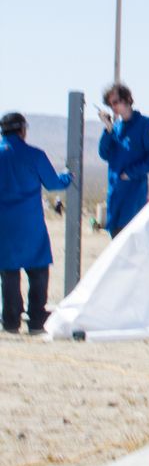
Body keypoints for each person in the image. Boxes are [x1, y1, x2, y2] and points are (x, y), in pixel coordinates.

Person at [0, 112, 72, 335]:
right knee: (38, 272)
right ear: (22, 130)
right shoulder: (35, 155)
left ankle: (11, 321)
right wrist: (68, 176)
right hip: (31, 225)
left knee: (9, 274)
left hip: (4, 227)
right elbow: (54, 184)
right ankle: (36, 320)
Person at [97, 84, 149, 235]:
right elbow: (104, 153)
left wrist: (130, 173)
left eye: (116, 102)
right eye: (110, 104)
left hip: (134, 197)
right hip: (115, 197)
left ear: (127, 99)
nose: (113, 107)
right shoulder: (116, 128)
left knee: (132, 240)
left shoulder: (145, 125)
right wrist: (108, 129)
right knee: (115, 238)